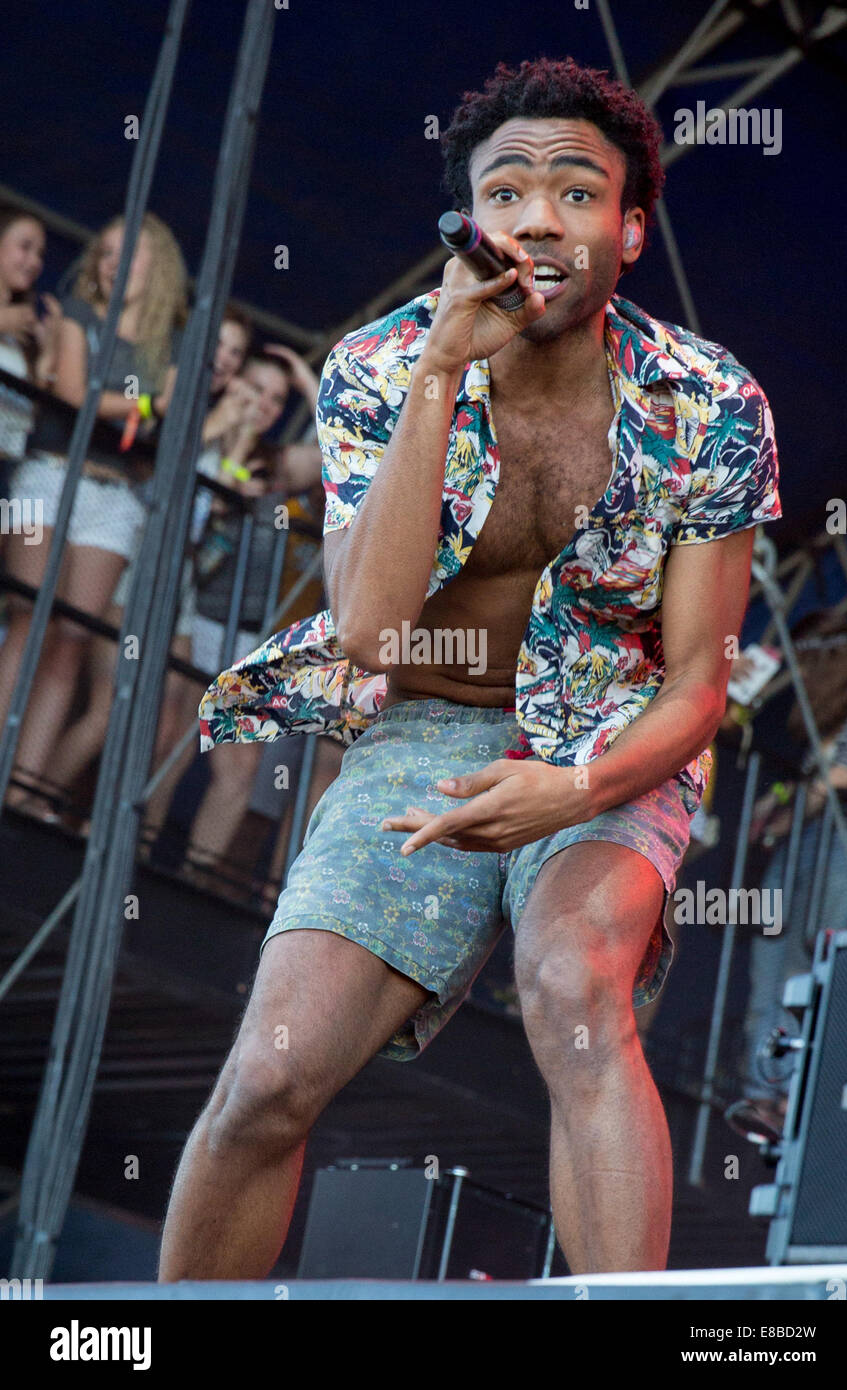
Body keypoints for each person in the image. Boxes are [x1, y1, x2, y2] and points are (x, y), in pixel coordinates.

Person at [159, 57, 781, 1280]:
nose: (537, 217)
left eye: (575, 191)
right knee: (270, 1071)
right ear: (469, 225)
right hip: (425, 727)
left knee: (573, 986)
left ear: (630, 228)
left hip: (612, 731)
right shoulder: (382, 368)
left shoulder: (711, 403)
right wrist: (441, 373)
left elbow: (699, 684)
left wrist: (577, 788)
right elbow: (375, 634)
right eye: (506, 192)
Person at [0, 211, 187, 812]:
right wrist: (146, 407)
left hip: (115, 495)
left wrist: (146, 410)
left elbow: (169, 418)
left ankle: (24, 791)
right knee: (27, 619)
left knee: (73, 639)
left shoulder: (175, 341)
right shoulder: (78, 313)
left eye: (127, 253)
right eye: (106, 251)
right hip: (48, 472)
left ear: (155, 268)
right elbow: (72, 395)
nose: (111, 262)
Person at [44, 308, 256, 834]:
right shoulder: (166, 393)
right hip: (133, 555)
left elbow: (217, 511)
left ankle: (113, 833)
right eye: (219, 347)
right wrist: (215, 426)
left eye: (235, 354)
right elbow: (146, 469)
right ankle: (32, 803)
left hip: (177, 578)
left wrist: (239, 438)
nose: (225, 361)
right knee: (108, 707)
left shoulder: (220, 417)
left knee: (168, 720)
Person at [182, 349, 322, 884]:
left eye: (277, 398)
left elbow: (342, 454)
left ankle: (187, 883)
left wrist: (312, 385)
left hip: (241, 632)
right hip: (186, 614)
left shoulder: (276, 461)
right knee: (164, 745)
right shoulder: (197, 433)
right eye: (256, 389)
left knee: (237, 768)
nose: (265, 404)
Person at [736, 613, 847, 1129]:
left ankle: (789, 1095)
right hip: (812, 839)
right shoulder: (831, 718)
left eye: (808, 668)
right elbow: (814, 775)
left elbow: (843, 775)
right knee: (771, 962)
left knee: (807, 963)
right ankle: (764, 1090)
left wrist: (788, 810)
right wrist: (780, 801)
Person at [0, 207, 62, 521]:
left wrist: (48, 354)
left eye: (40, 254)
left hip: (8, 463)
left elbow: (32, 413)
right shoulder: (9, 322)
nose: (35, 262)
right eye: (25, 247)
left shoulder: (21, 332)